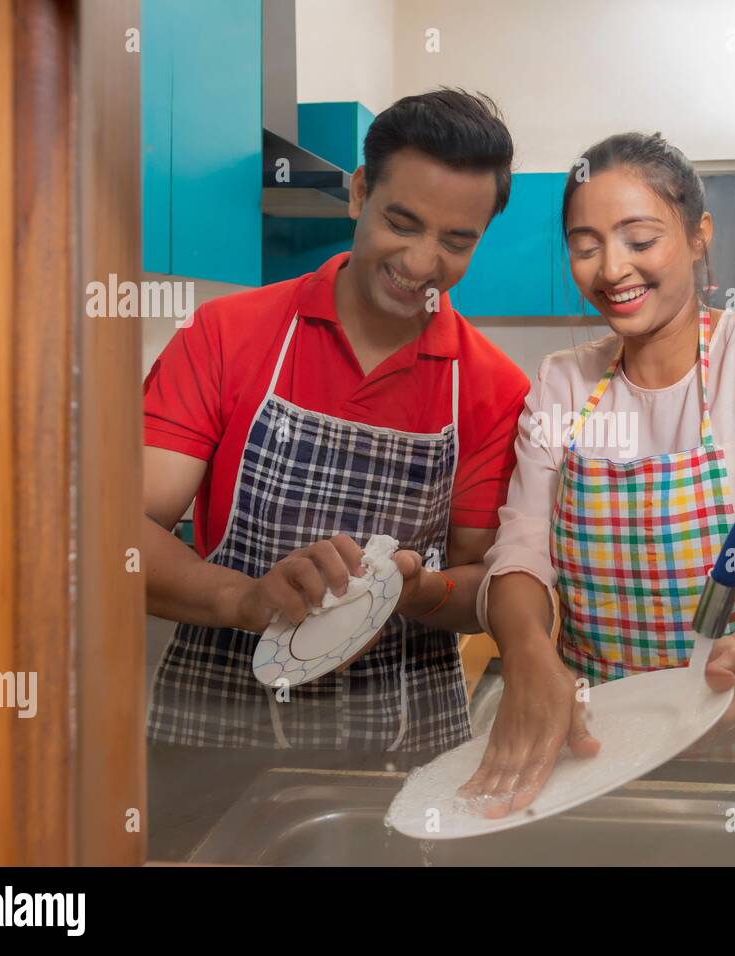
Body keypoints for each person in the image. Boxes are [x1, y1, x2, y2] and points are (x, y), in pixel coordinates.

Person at [464, 132, 735, 815]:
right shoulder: (563, 382)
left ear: (699, 236)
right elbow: (521, 545)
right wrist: (525, 653)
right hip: (605, 742)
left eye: (639, 240)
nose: (612, 269)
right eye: (586, 247)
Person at [142, 89, 529, 750]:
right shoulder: (226, 335)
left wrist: (412, 589)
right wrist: (247, 601)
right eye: (401, 223)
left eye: (456, 242)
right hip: (214, 726)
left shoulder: (492, 386)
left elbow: (480, 585)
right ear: (357, 194)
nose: (418, 263)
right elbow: (121, 533)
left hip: (403, 735)